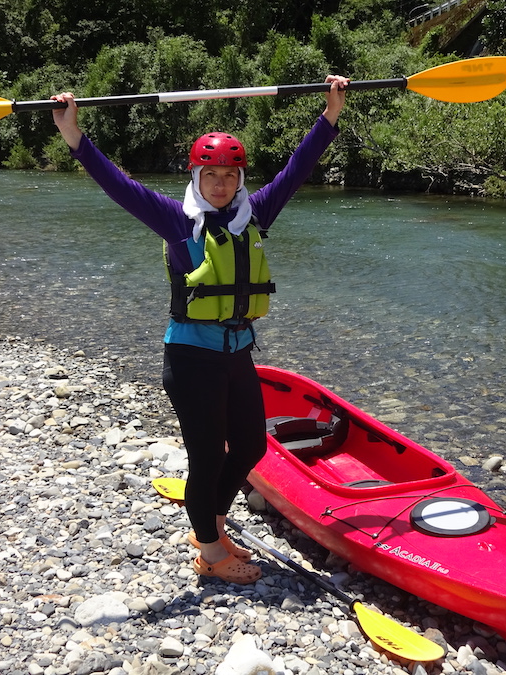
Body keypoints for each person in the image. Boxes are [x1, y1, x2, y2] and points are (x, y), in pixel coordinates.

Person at [51, 74, 349, 584]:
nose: (220, 184)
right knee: (208, 457)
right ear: (195, 176)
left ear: (240, 179)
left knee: (251, 447)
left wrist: (330, 116)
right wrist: (73, 135)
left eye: (230, 175)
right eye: (210, 174)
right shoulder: (175, 220)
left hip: (236, 353)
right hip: (191, 359)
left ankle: (210, 525)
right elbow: (119, 185)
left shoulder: (254, 214)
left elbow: (296, 171)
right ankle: (210, 553)